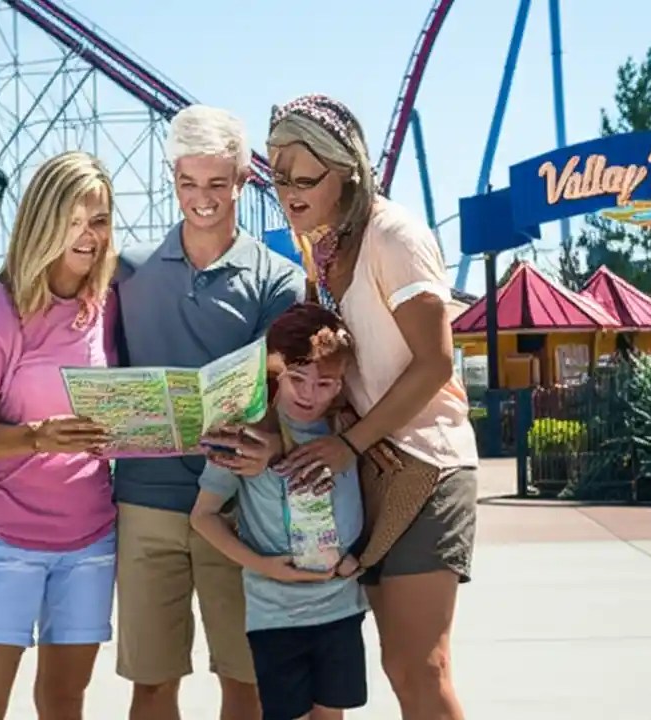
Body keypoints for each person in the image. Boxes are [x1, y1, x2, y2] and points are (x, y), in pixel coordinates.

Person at [266, 94, 480, 720]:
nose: (288, 191)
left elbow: (435, 362)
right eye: (278, 176)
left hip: (427, 465)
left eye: (305, 178)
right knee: (396, 665)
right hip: (370, 472)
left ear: (347, 171)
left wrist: (349, 445)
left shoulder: (395, 236)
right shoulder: (325, 251)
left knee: (423, 665)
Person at [112, 104, 307, 720]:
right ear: (173, 177)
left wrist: (268, 443)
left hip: (237, 509)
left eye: (217, 184)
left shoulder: (281, 281)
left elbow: (283, 404)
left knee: (245, 684)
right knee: (151, 685)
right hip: (145, 506)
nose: (202, 198)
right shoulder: (128, 273)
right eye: (188, 183)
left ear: (242, 181)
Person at [0, 150, 118, 720]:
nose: (88, 235)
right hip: (3, 538)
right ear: (43, 220)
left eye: (98, 221)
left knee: (64, 701)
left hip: (90, 536)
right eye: (73, 220)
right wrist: (36, 437)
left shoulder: (107, 306)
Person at [190, 302, 369, 720]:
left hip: (341, 606)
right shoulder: (246, 434)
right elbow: (203, 516)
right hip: (275, 613)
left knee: (331, 714)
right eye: (297, 378)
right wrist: (264, 566)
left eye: (324, 383)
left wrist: (363, 554)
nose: (309, 394)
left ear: (341, 384)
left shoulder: (348, 431)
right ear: (275, 372)